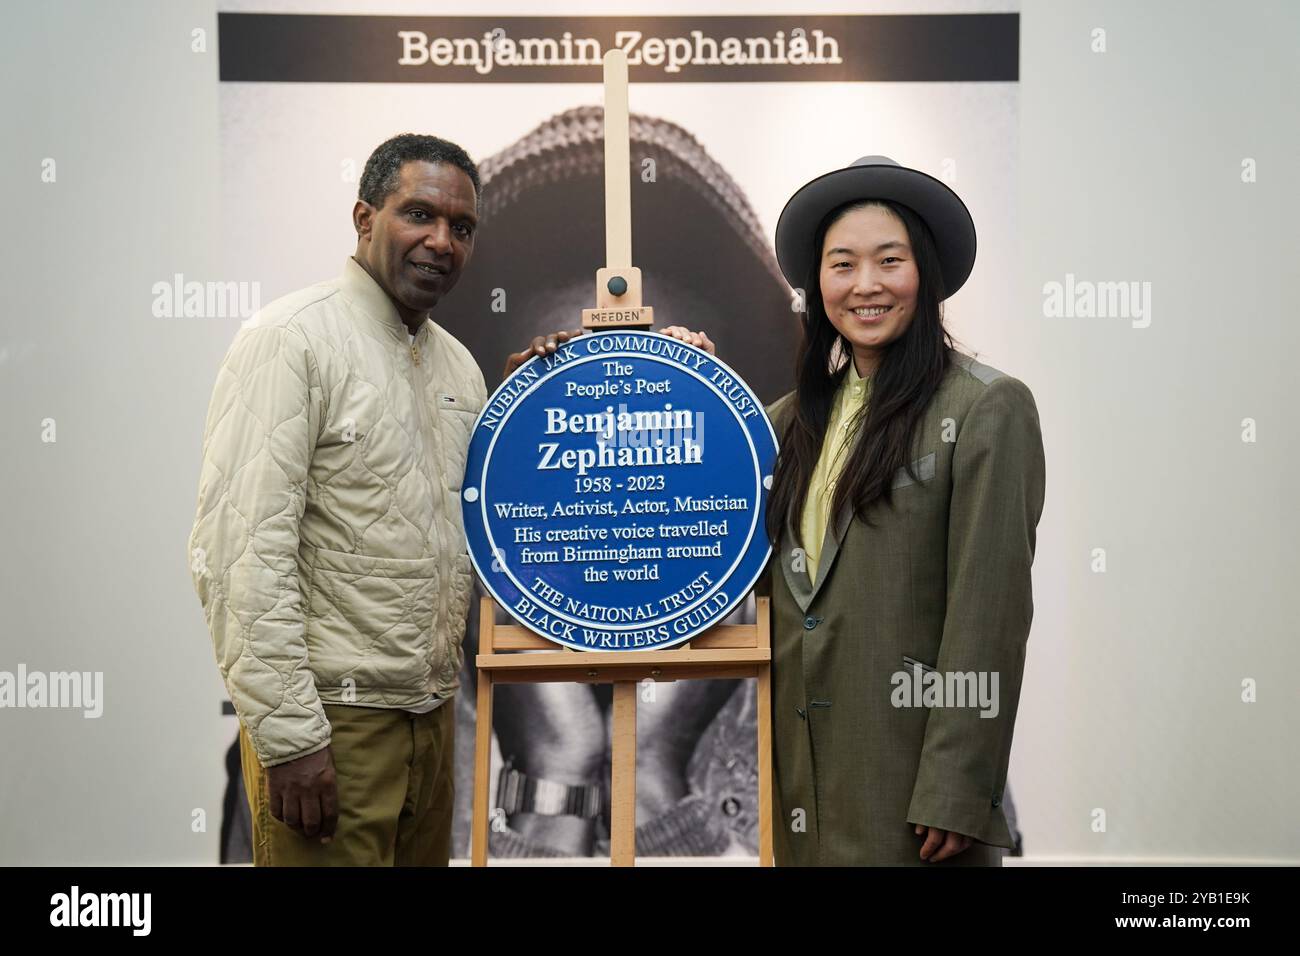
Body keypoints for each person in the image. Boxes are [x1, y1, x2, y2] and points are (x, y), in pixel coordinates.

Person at [188, 133, 489, 865]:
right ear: (365, 218)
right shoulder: (290, 339)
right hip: (330, 725)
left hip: (431, 718)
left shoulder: (460, 366)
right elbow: (238, 552)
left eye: (462, 227)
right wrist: (290, 737)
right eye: (419, 214)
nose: (441, 241)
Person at [757, 156, 1046, 865]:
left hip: (915, 800)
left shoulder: (985, 406)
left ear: (928, 275)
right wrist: (679, 381)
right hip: (803, 791)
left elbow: (989, 612)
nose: (865, 285)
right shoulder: (784, 422)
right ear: (816, 282)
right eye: (842, 264)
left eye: (890, 260)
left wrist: (956, 788)